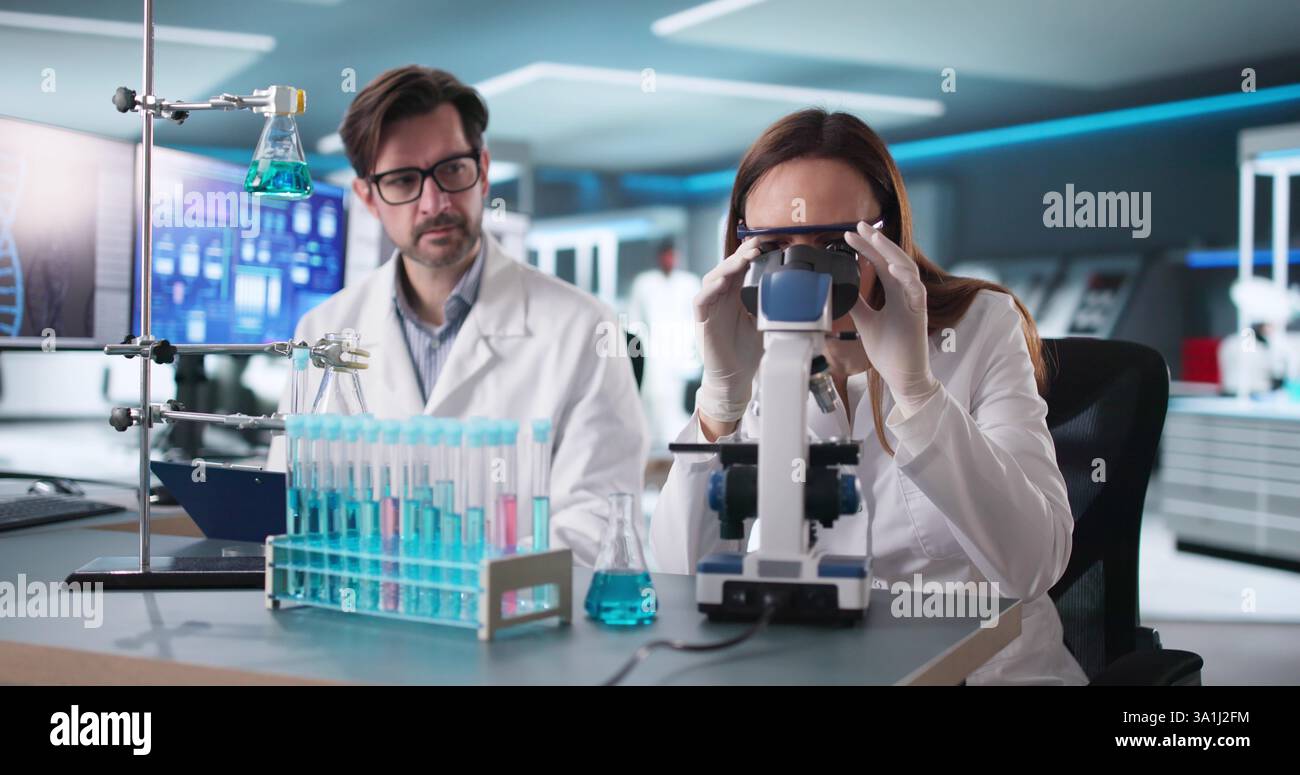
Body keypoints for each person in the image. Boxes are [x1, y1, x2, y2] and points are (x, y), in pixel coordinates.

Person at [651, 108, 1089, 685]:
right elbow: (677, 576)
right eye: (775, 246)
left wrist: (917, 391)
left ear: (888, 236)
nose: (802, 271)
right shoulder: (762, 355)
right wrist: (721, 402)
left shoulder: (981, 327)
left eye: (835, 245)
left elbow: (1033, 566)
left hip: (985, 671)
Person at [268, 66, 647, 565]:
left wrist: (463, 579)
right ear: (367, 198)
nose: (435, 201)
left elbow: (597, 522)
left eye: (452, 169)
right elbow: (292, 505)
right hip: (358, 629)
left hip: (518, 629)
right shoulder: (323, 332)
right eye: (403, 179)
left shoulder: (584, 329)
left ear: (483, 169)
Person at [626, 240, 701, 447]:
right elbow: (635, 322)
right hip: (655, 360)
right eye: (666, 255)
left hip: (683, 359)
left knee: (681, 413)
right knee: (654, 409)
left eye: (673, 255)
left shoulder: (689, 283)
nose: (670, 260)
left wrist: (697, 356)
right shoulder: (645, 283)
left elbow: (698, 321)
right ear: (659, 257)